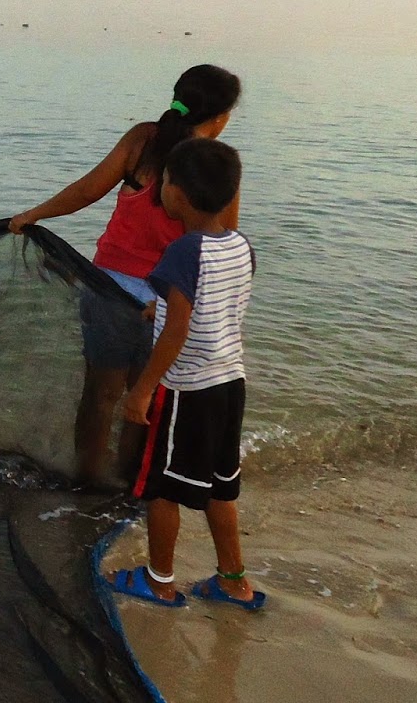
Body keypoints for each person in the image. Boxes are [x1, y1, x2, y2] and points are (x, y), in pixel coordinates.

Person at [8, 65, 241, 481]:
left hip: (108, 287)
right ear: (220, 117)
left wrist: (33, 215)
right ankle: (129, 483)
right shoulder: (217, 168)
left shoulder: (141, 140)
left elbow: (86, 190)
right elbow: (219, 244)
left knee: (101, 394)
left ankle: (86, 481)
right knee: (144, 397)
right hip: (166, 297)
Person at [106, 137, 264, 610]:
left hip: (186, 389)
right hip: (229, 382)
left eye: (167, 181)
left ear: (177, 195)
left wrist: (142, 389)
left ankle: (159, 581)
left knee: (160, 487)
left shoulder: (182, 253)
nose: (163, 187)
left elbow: (177, 332)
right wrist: (164, 305)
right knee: (220, 487)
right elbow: (209, 304)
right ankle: (234, 581)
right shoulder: (239, 244)